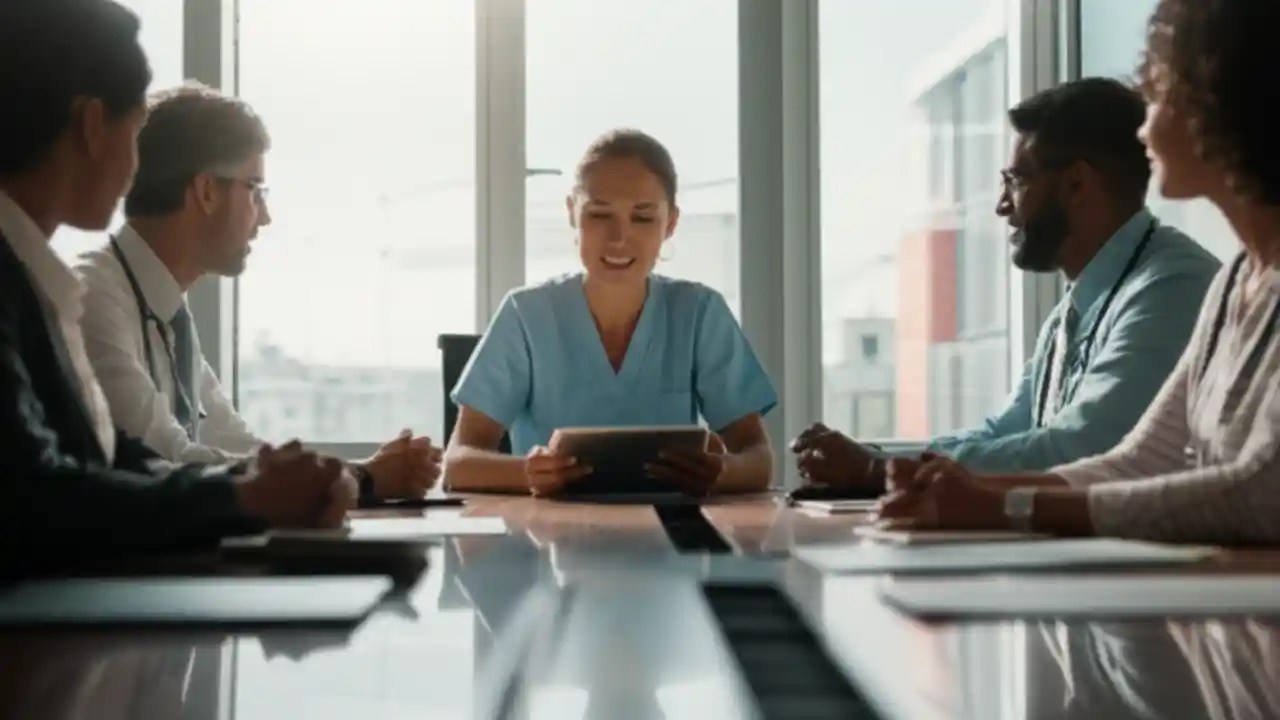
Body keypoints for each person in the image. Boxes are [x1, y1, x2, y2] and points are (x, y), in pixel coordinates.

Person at [875, 0, 1280, 544]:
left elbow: (1261, 492)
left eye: (1158, 92)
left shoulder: (1180, 282)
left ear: (1218, 106)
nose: (1143, 128)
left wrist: (1011, 508)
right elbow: (1137, 461)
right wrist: (965, 493)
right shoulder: (1233, 284)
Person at [0, 0, 352, 575]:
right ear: (92, 126)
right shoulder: (47, 288)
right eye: (136, 132)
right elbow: (32, 499)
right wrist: (245, 498)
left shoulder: (35, 280)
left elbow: (113, 458)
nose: (140, 167)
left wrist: (272, 486)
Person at [792, 77, 1220, 491]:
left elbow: (1083, 450)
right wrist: (874, 458)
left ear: (1076, 183)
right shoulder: (1073, 311)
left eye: (1016, 179)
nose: (1001, 206)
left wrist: (876, 469)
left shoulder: (1171, 289)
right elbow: (1003, 433)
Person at [75, 83, 440, 501]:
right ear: (207, 191)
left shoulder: (167, 311)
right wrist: (362, 478)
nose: (264, 217)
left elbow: (236, 445)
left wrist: (353, 473)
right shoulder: (94, 299)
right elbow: (168, 459)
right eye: (255, 189)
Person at [445, 129, 777, 496]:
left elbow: (758, 458)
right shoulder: (526, 315)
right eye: (600, 214)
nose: (620, 238)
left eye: (643, 217)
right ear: (572, 212)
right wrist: (527, 473)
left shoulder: (699, 314)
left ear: (671, 224)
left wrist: (723, 471)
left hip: (672, 539)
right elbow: (458, 463)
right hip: (549, 541)